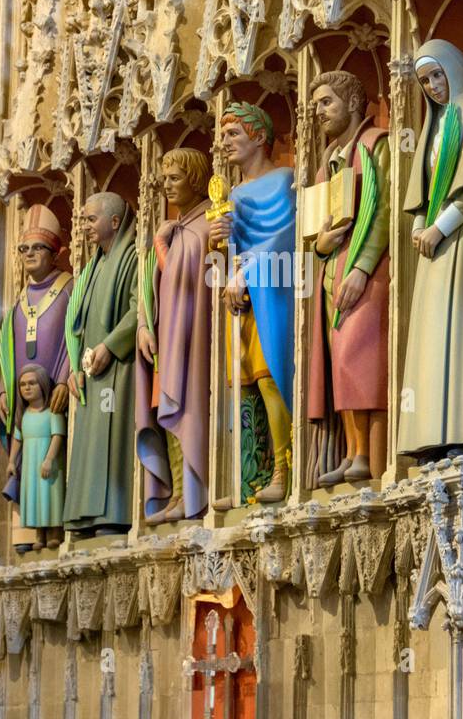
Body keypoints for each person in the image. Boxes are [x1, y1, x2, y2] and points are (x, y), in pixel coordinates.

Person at [398, 40, 463, 460]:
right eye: (424, 81)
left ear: (455, 70)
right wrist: (422, 223)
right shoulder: (435, 125)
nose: (433, 87)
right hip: (434, 244)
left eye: (437, 75)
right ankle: (428, 436)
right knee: (431, 338)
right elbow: (422, 186)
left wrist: (440, 226)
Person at [208, 101, 295, 505]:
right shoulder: (234, 193)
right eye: (222, 135)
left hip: (273, 287)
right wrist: (218, 243)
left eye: (233, 134)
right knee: (241, 386)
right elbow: (226, 256)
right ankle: (248, 480)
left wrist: (247, 271)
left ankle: (283, 470)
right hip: (240, 295)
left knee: (268, 376)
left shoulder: (283, 181)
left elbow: (289, 235)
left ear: (259, 137)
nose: (224, 142)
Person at [308, 70, 390, 484]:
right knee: (339, 360)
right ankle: (351, 448)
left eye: (326, 102)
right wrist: (320, 245)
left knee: (362, 356)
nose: (318, 111)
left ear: (353, 103)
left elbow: (384, 210)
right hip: (331, 272)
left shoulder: (377, 145)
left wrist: (361, 267)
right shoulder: (328, 164)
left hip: (367, 271)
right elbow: (312, 233)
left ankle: (371, 453)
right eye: (316, 105)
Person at [136, 149, 213, 523]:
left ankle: (193, 493)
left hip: (192, 336)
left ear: (196, 179)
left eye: (175, 178)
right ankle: (178, 493)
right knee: (167, 405)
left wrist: (162, 247)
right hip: (168, 336)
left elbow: (184, 276)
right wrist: (143, 326)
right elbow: (154, 287)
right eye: (164, 179)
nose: (167, 186)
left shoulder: (203, 224)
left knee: (187, 405)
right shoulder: (177, 227)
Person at [0, 203, 72, 548]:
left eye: (36, 248)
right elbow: (5, 351)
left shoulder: (70, 288)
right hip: (23, 399)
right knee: (24, 459)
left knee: (51, 462)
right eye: (23, 249)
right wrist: (3, 391)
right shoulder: (17, 301)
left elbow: (77, 335)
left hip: (59, 392)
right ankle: (28, 529)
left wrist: (66, 378)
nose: (28, 254)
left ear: (56, 252)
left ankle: (57, 525)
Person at [63, 191, 138, 536]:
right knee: (90, 442)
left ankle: (113, 513)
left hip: (119, 368)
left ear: (114, 221)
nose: (84, 228)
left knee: (113, 439)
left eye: (90, 220)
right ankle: (84, 516)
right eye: (82, 221)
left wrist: (111, 345)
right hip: (91, 370)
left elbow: (141, 306)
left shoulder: (133, 255)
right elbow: (77, 320)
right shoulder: (93, 265)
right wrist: (74, 368)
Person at [5, 364, 66, 552]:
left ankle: (55, 532)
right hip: (30, 464)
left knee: (50, 495)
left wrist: (49, 459)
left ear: (42, 385)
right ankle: (39, 534)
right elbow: (18, 438)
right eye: (22, 384)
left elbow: (58, 436)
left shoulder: (52, 413)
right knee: (34, 496)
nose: (26, 388)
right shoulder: (23, 415)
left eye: (32, 383)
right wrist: (11, 461)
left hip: (48, 463)